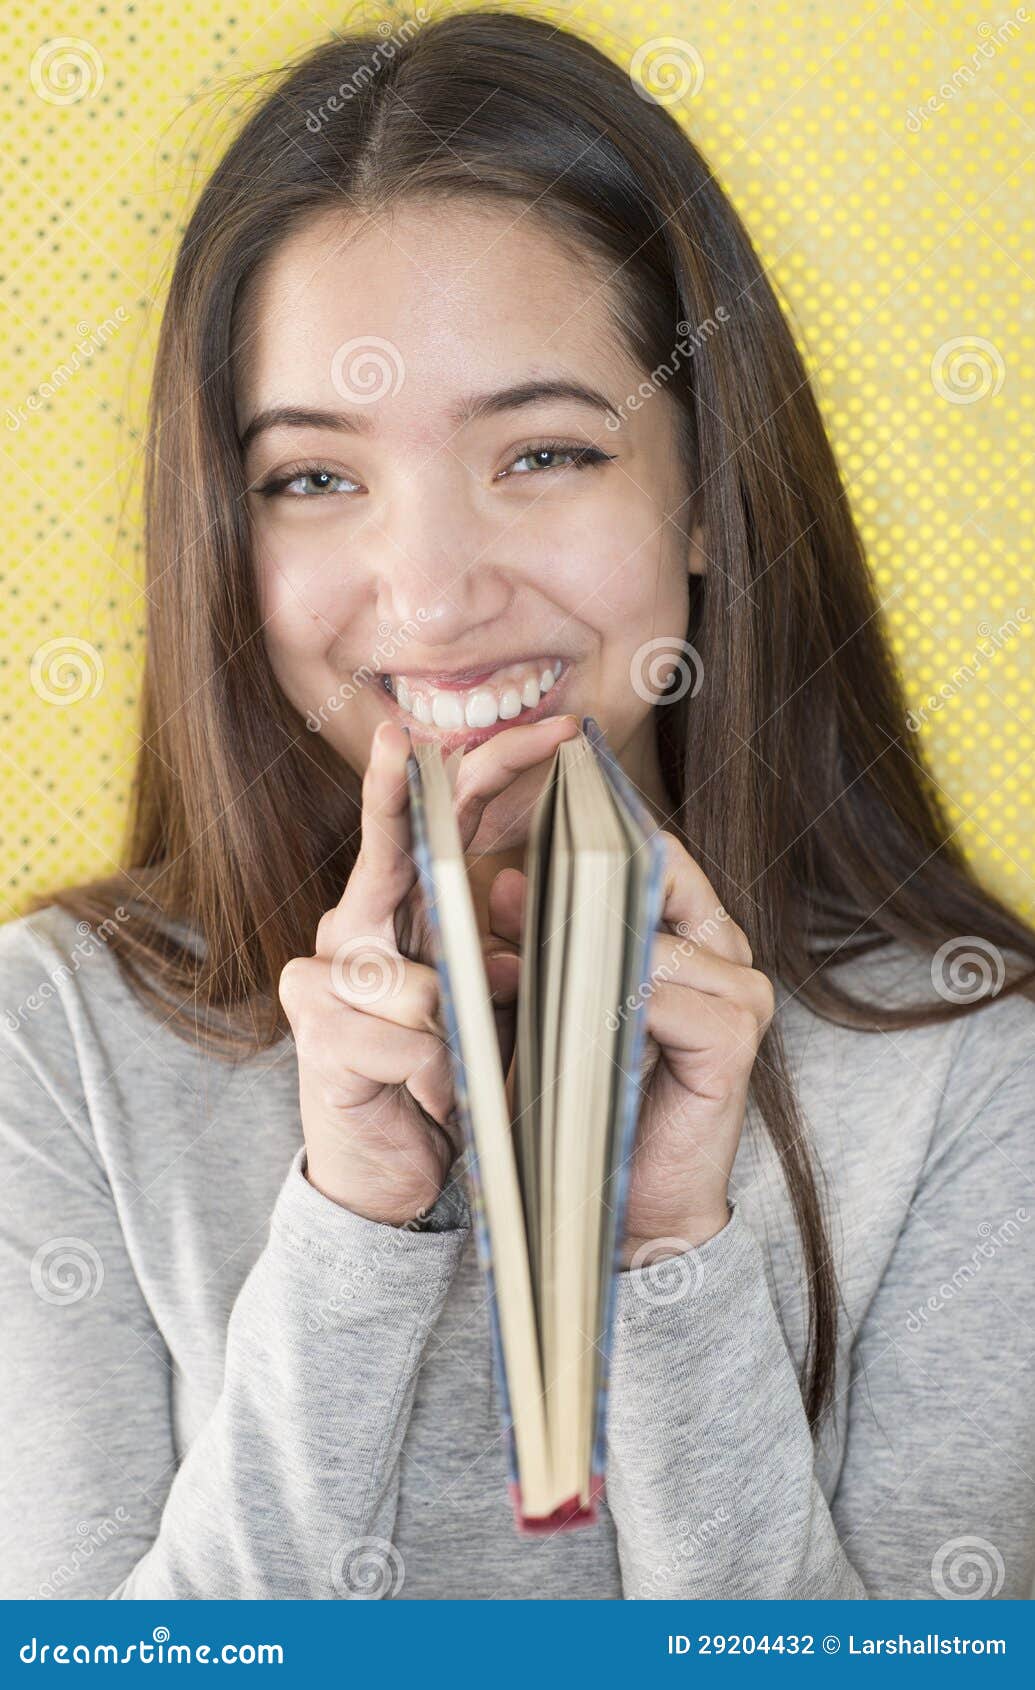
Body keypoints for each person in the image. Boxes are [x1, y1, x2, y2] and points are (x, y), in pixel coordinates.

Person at [2, 9, 1033, 1601]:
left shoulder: (977, 1063)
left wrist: (671, 1247)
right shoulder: (58, 1040)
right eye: (314, 476)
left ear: (703, 492)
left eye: (544, 450)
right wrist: (354, 1221)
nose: (431, 592)